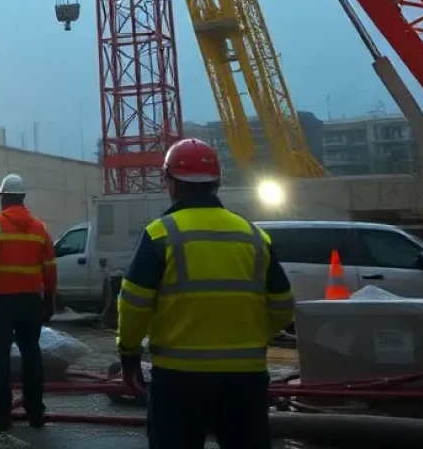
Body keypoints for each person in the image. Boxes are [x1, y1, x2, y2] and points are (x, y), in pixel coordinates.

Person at [116, 139, 295, 449]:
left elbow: (133, 304)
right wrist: (250, 336)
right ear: (218, 182)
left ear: (169, 182)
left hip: (178, 380)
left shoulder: (160, 235)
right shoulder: (254, 236)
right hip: (245, 380)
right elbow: (282, 306)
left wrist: (129, 356)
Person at [0, 173, 57, 431]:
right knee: (31, 354)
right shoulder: (39, 228)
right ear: (23, 198)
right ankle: (36, 414)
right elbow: (50, 268)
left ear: (3, 198)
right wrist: (50, 298)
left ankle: (1, 417)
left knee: (0, 359)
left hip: (0, 303)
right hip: (30, 302)